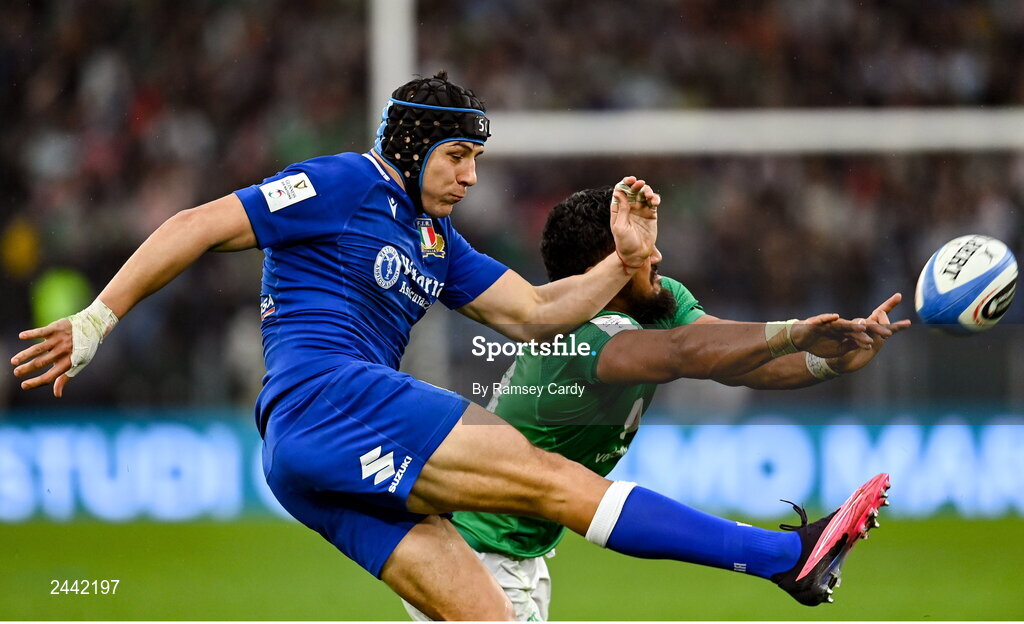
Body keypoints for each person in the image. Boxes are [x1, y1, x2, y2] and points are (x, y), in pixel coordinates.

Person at [11, 71, 893, 620]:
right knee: (555, 484)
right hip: (329, 396)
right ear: (413, 146)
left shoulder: (439, 246)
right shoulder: (345, 182)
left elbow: (538, 314)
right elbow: (200, 223)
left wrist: (624, 263)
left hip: (308, 457)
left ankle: (791, 564)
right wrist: (99, 319)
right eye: (459, 156)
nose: (472, 176)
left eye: (476, 158)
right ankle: (785, 558)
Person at [404, 185, 909, 621]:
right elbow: (682, 354)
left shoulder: (657, 300)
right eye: (641, 249)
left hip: (521, 549)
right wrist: (794, 332)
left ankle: (783, 559)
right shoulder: (572, 337)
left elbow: (733, 362)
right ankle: (781, 558)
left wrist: (829, 361)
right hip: (472, 550)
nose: (657, 257)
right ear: (602, 270)